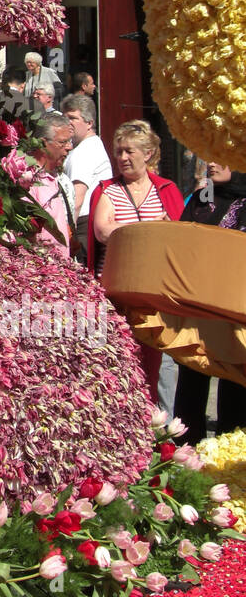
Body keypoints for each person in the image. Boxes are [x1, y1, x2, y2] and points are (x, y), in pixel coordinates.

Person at [88, 120, 184, 394]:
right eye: (118, 151)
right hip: (114, 295)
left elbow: (178, 235)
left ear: (148, 154)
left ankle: (153, 429)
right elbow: (103, 231)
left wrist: (128, 229)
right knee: (116, 368)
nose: (122, 158)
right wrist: (150, 230)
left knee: (151, 370)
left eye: (129, 151)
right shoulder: (107, 189)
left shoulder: (166, 190)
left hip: (154, 295)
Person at [173, 163, 246, 443]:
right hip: (198, 307)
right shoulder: (203, 198)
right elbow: (182, 240)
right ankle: (183, 456)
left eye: (220, 157)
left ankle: (231, 459)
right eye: (208, 157)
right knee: (191, 378)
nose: (211, 163)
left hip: (236, 309)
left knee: (235, 386)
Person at [61, 92, 112, 257]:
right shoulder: (89, 146)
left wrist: (68, 234)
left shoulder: (85, 151)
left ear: (89, 123)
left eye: (73, 118)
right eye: (64, 117)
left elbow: (76, 199)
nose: (67, 122)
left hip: (83, 227)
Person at [25, 113, 74, 258]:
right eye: (62, 142)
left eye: (69, 141)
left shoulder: (57, 178)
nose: (69, 147)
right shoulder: (27, 180)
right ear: (42, 143)